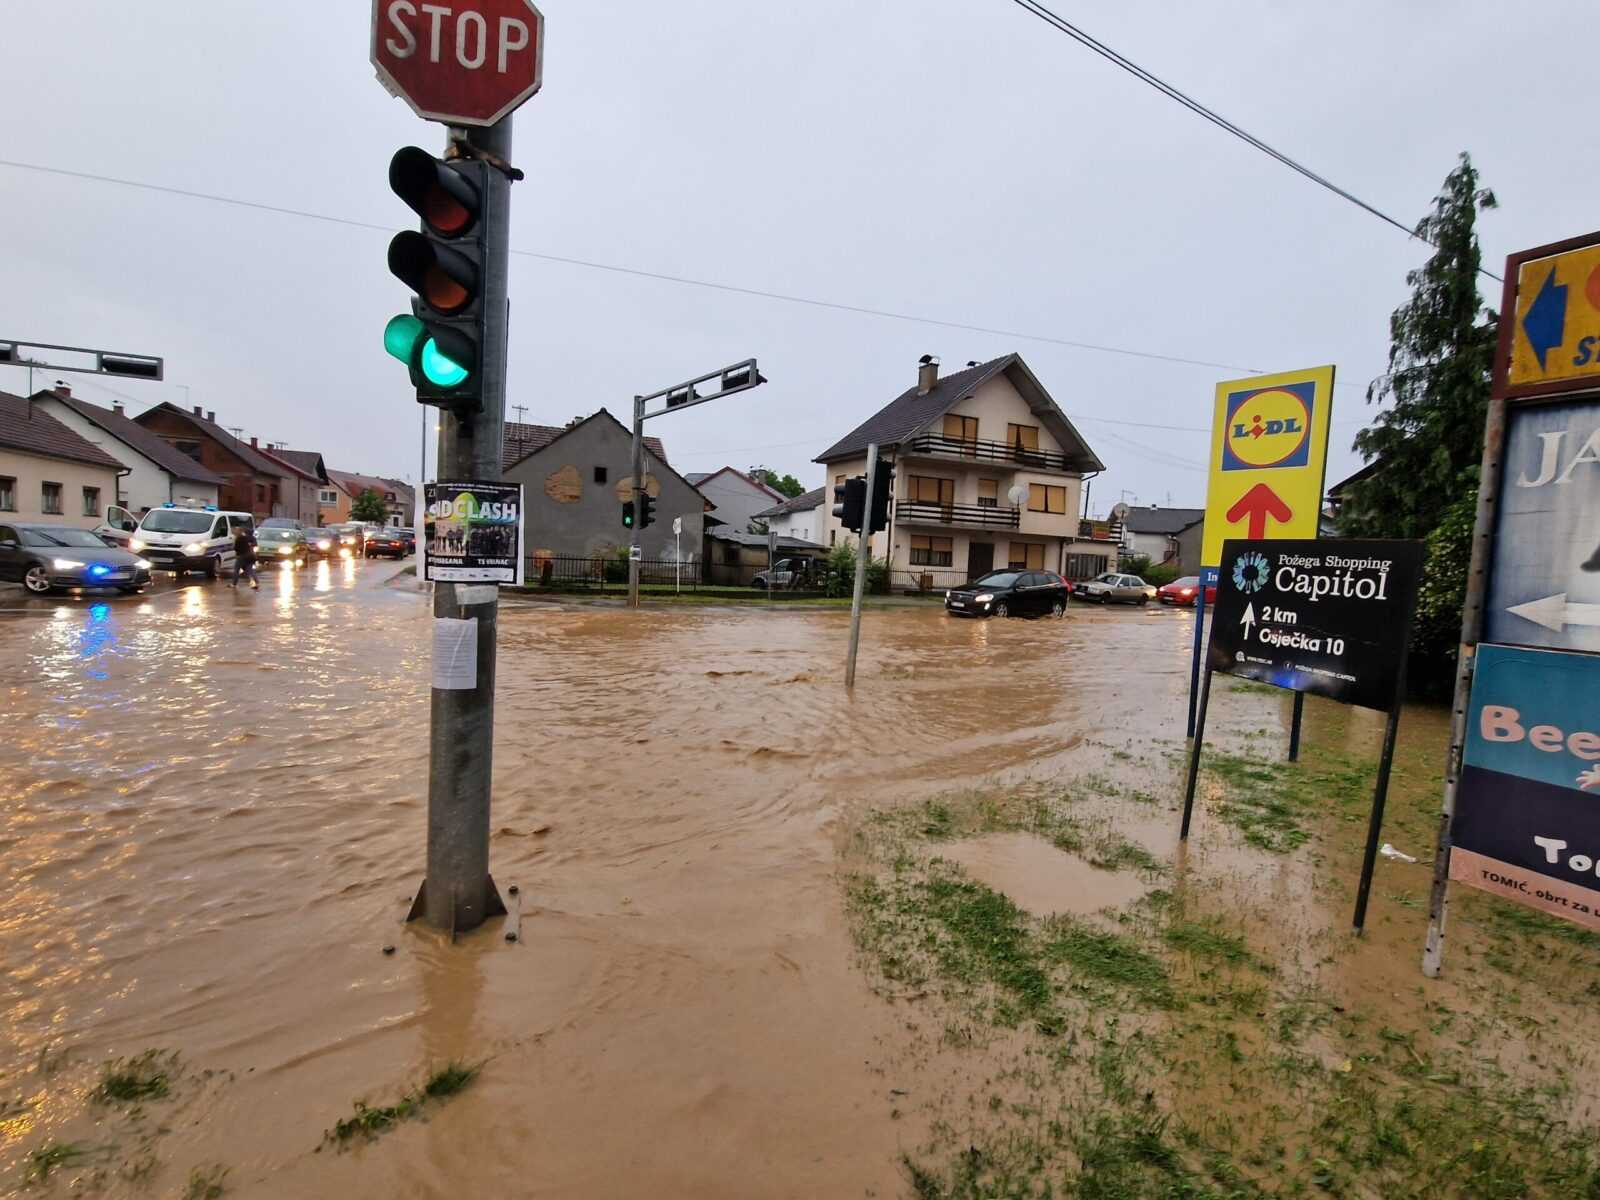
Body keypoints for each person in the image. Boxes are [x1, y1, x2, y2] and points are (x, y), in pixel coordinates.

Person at [231, 525, 259, 589]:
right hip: (251, 556)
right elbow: (253, 544)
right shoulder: (248, 538)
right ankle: (257, 582)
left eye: (235, 530)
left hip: (242, 556)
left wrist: (234, 545)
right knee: (250, 570)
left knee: (236, 569)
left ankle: (234, 584)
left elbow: (236, 548)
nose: (234, 531)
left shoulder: (239, 538)